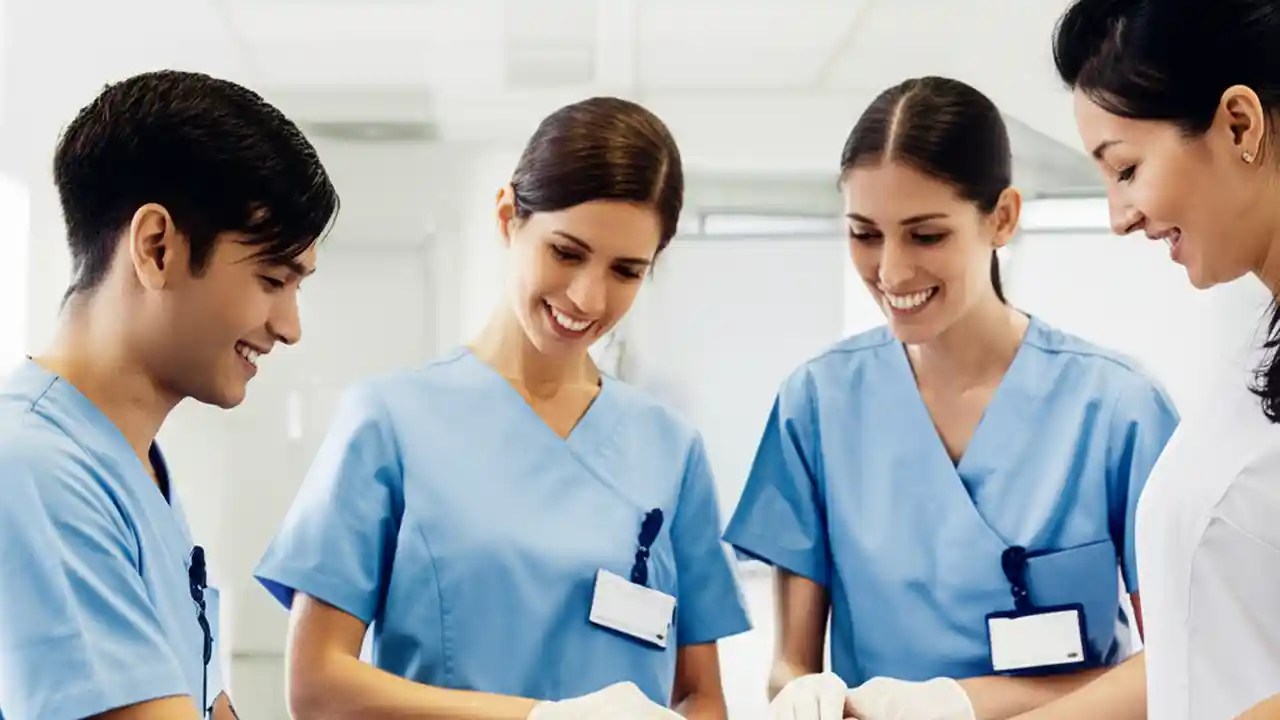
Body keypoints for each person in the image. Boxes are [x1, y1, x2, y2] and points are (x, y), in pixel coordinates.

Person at [253, 96, 751, 720]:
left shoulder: (670, 450)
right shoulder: (390, 422)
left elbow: (701, 695)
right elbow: (316, 685)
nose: (588, 296)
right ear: (507, 217)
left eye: (626, 271)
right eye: (566, 252)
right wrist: (539, 719)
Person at [721, 75, 1180, 720]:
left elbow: (1182, 663)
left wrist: (958, 705)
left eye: (926, 235)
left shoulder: (1117, 409)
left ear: (1002, 218)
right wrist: (799, 693)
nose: (891, 271)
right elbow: (792, 666)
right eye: (864, 233)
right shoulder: (817, 405)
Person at [0, 70, 338, 720]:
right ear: (156, 248)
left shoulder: (135, 469)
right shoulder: (37, 473)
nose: (290, 327)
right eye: (273, 279)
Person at [1017, 2, 1280, 718]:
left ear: (1239, 125)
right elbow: (1199, 653)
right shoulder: (1255, 352)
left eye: (1126, 169)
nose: (1119, 214)